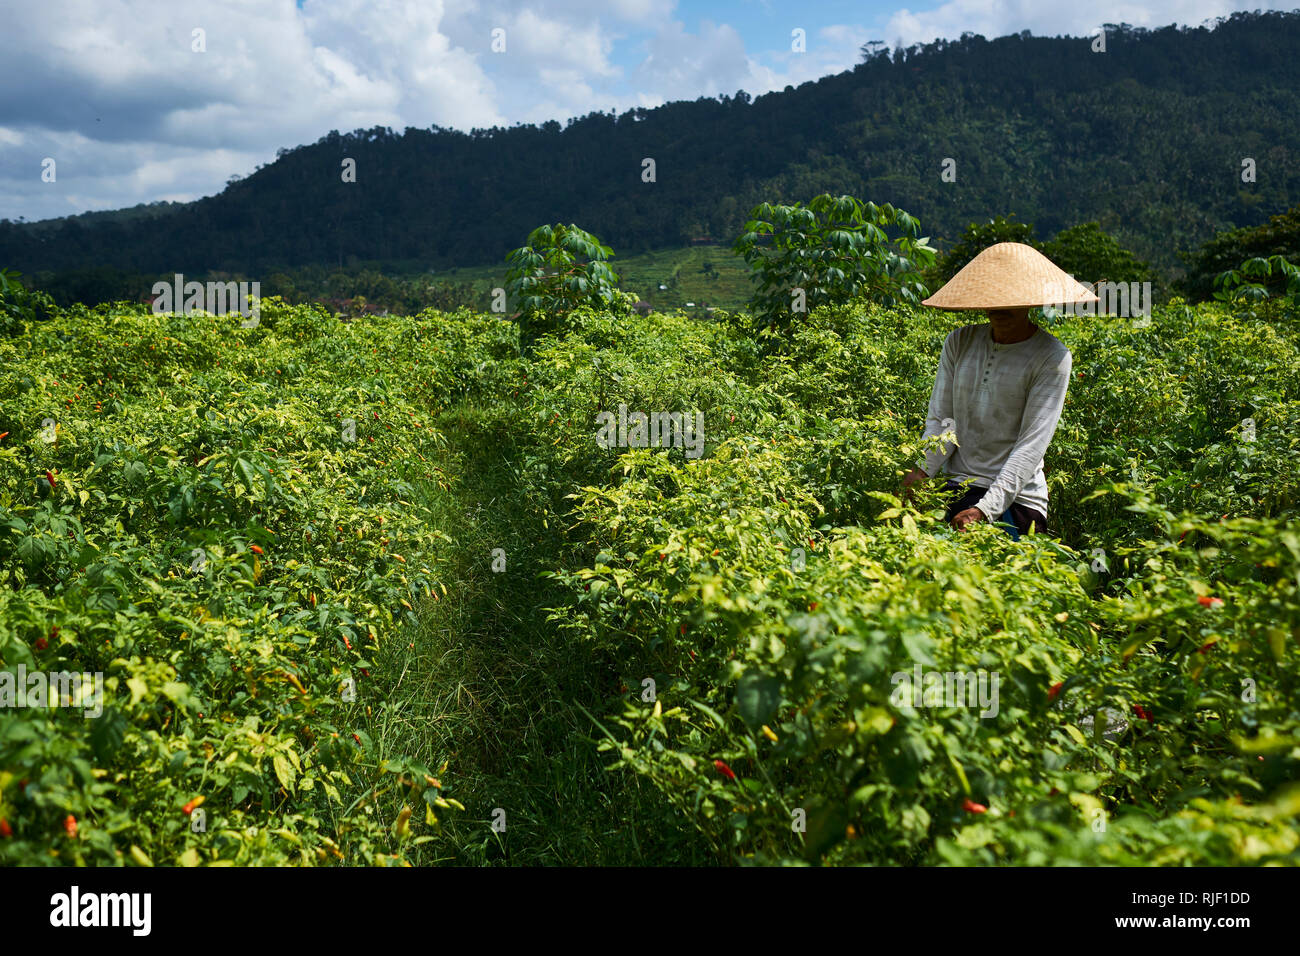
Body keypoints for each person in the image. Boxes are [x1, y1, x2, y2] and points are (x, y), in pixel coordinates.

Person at [901, 242, 1098, 538]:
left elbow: (1030, 446)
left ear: (1030, 301)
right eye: (993, 297)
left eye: (1010, 298)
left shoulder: (1052, 357)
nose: (999, 306)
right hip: (957, 487)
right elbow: (943, 423)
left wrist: (984, 510)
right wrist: (920, 472)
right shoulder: (959, 342)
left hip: (1018, 499)